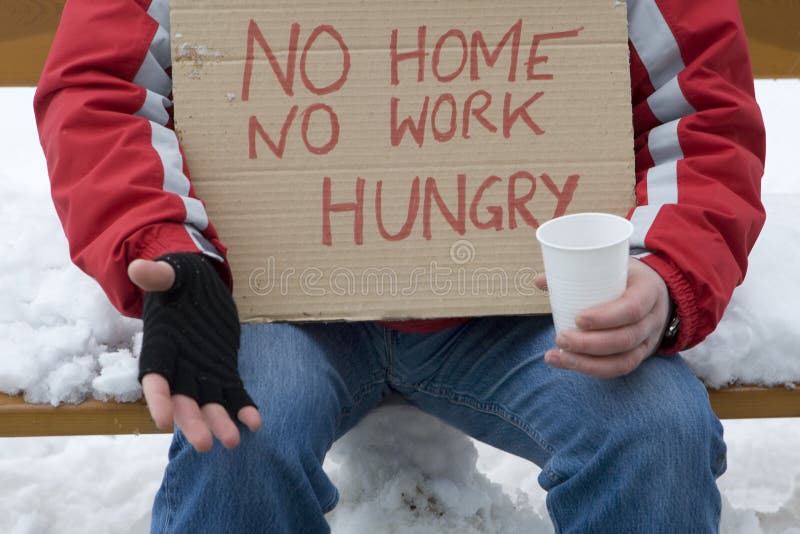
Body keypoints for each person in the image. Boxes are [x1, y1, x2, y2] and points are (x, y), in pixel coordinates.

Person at [34, 0, 765, 531]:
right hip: (273, 299)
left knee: (656, 433)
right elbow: (104, 92)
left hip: (522, 304)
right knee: (234, 443)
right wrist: (167, 254)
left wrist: (665, 272)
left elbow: (701, 116)